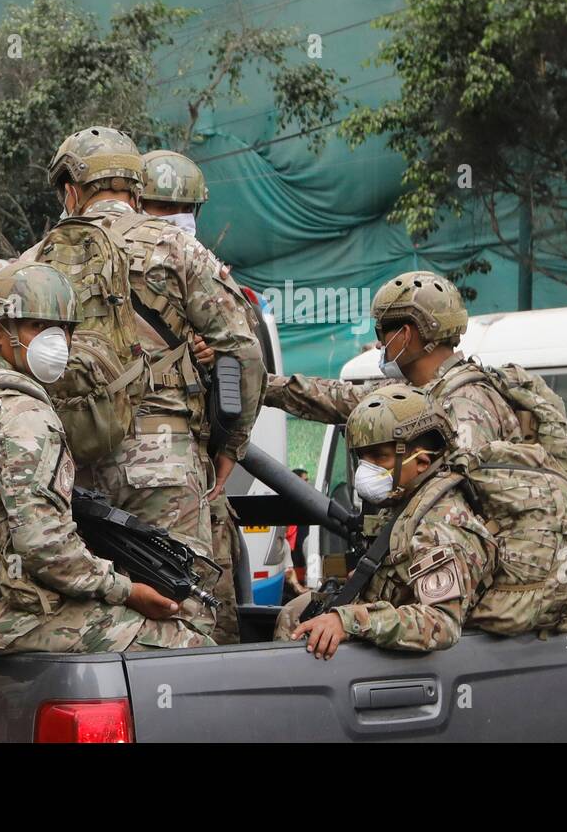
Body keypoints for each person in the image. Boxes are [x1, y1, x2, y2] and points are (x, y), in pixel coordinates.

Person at [41, 130, 264, 640]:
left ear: (71, 189)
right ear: (136, 189)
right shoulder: (177, 248)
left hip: (68, 468)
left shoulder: (35, 261)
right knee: (184, 606)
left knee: (93, 608)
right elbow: (242, 349)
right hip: (164, 461)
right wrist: (230, 443)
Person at [0, 260, 212, 657]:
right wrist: (127, 590)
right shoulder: (22, 414)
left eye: (64, 329)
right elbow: (45, 548)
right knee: (190, 645)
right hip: (0, 617)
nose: (56, 341)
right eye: (38, 327)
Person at [136, 147, 262, 644]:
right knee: (198, 609)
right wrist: (233, 445)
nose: (173, 224)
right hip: (176, 471)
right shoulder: (192, 268)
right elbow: (246, 354)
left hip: (100, 467)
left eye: (180, 213)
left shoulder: (200, 276)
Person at [275, 385, 496, 658]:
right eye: (363, 457)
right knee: (294, 613)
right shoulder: (405, 503)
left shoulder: (440, 522)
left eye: (380, 457)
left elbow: (441, 622)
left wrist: (351, 621)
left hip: (411, 665)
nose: (368, 468)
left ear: (422, 461)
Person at [263, 271, 524, 451]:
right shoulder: (415, 392)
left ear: (406, 334)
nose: (378, 344)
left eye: (381, 333)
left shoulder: (465, 404)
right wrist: (255, 382)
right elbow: (329, 396)